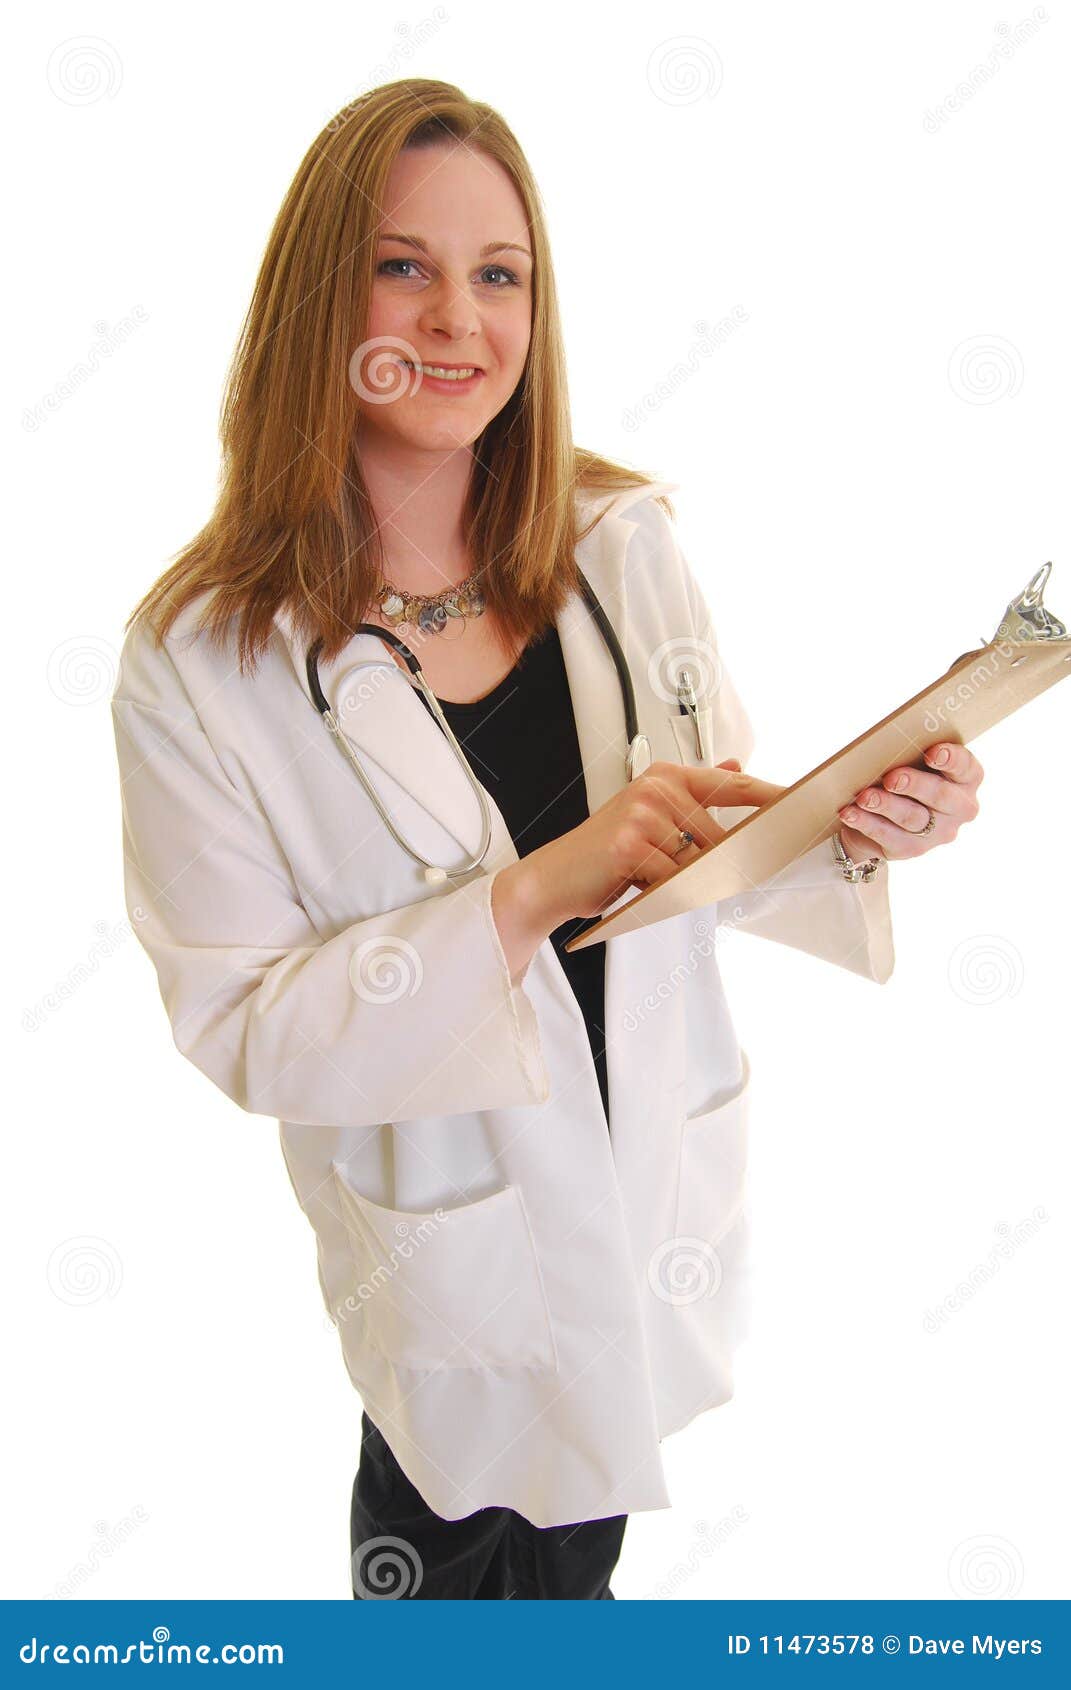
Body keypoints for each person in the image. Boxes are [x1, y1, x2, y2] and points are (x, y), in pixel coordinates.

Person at [110, 78, 985, 1601]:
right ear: (326, 294)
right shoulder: (204, 657)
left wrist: (857, 825)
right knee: (447, 1566)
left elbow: (705, 838)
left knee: (581, 1564)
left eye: (499, 274)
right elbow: (246, 1026)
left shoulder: (617, 543)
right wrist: (528, 895)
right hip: (451, 1253)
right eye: (406, 266)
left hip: (637, 1187)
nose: (460, 318)